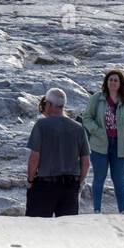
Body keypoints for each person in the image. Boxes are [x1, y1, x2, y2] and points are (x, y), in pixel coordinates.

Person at [25, 88, 90, 217]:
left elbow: (34, 158)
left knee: (36, 228)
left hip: (45, 185)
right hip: (70, 186)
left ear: (49, 104)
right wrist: (78, 183)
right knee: (67, 231)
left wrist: (30, 180)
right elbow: (86, 162)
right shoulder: (78, 128)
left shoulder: (41, 125)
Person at [82, 70, 124, 214]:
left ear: (120, 84)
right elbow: (86, 118)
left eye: (116, 80)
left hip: (119, 146)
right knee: (99, 178)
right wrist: (98, 131)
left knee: (119, 180)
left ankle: (122, 211)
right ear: (106, 82)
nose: (113, 82)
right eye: (110, 79)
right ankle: (97, 211)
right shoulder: (97, 98)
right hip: (99, 144)